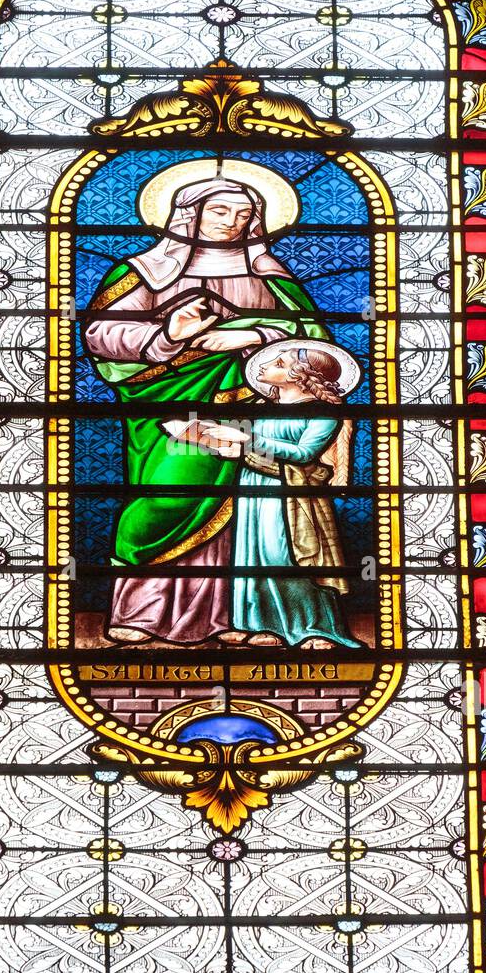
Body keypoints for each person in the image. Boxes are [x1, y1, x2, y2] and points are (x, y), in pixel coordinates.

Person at [84, 175, 329, 644]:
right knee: (165, 498)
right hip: (168, 406)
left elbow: (314, 343)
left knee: (249, 515)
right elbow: (102, 336)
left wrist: (256, 336)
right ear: (188, 213)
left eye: (242, 215)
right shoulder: (145, 272)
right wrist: (171, 335)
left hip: (252, 406)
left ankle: (234, 618)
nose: (231, 223)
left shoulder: (269, 274)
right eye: (219, 212)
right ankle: (141, 613)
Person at [225, 344, 359, 650]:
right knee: (253, 555)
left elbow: (304, 454)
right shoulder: (262, 408)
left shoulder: (324, 414)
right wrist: (223, 445)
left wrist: (248, 440)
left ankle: (312, 627)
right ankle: (262, 624)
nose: (265, 363)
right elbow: (252, 451)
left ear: (300, 376)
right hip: (254, 489)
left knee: (285, 555)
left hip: (294, 496)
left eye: (279, 362)